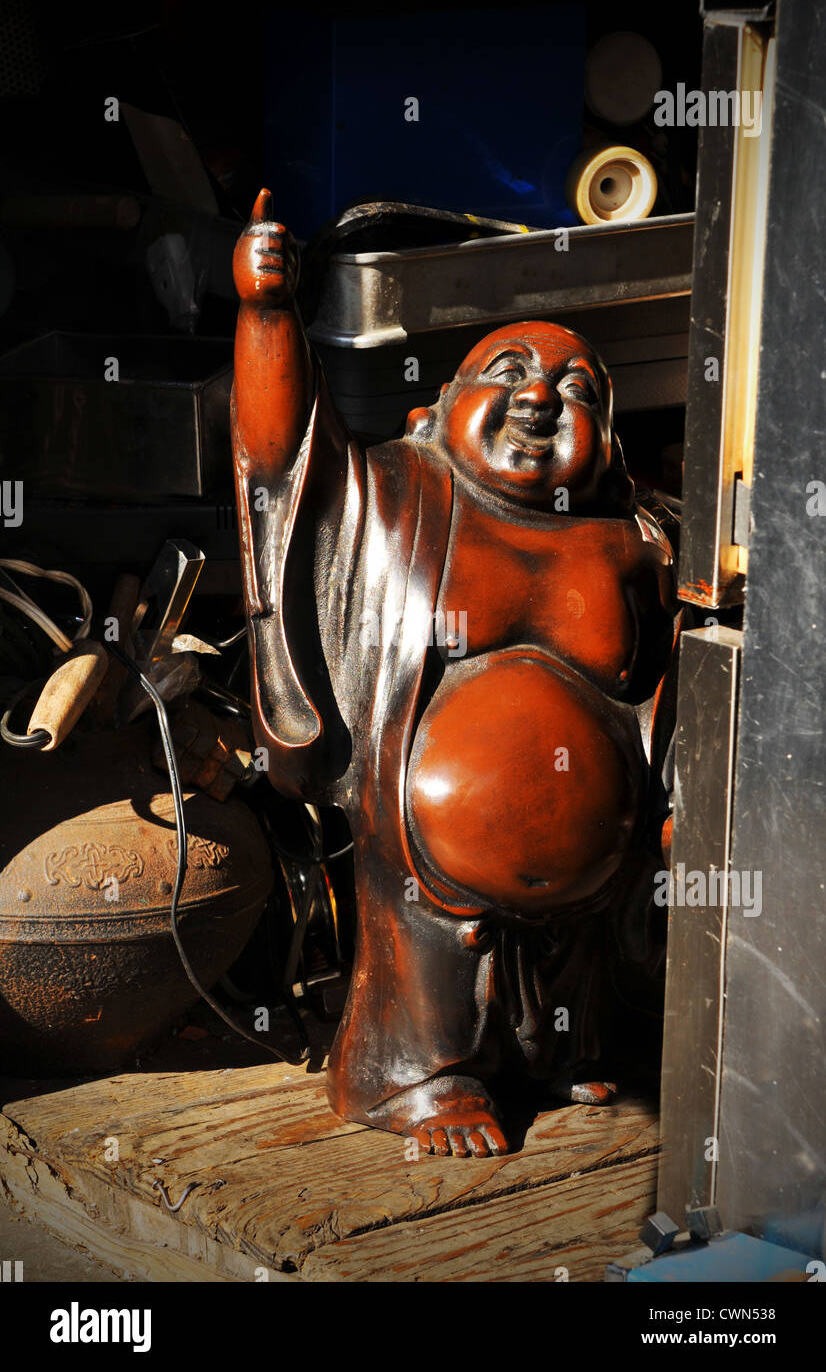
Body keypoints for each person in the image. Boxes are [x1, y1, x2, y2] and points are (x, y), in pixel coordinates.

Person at [232, 190, 676, 1157]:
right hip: (424, 877)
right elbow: (282, 459)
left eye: (578, 388)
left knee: (574, 996)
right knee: (433, 974)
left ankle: (553, 1058)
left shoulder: (626, 537)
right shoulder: (396, 492)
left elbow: (663, 696)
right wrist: (268, 315)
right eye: (508, 373)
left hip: (585, 892)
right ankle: (429, 1079)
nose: (540, 397)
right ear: (433, 413)